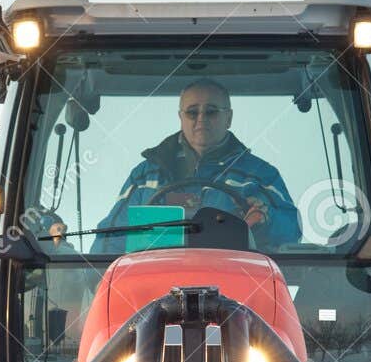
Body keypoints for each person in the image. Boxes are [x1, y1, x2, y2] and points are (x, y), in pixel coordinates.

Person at [92, 80, 300, 253]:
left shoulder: (260, 176)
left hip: (234, 292)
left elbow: (292, 230)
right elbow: (111, 238)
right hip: (154, 293)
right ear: (180, 117)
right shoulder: (145, 176)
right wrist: (99, 281)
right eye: (192, 112)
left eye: (211, 112)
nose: (201, 119)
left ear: (228, 118)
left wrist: (267, 219)